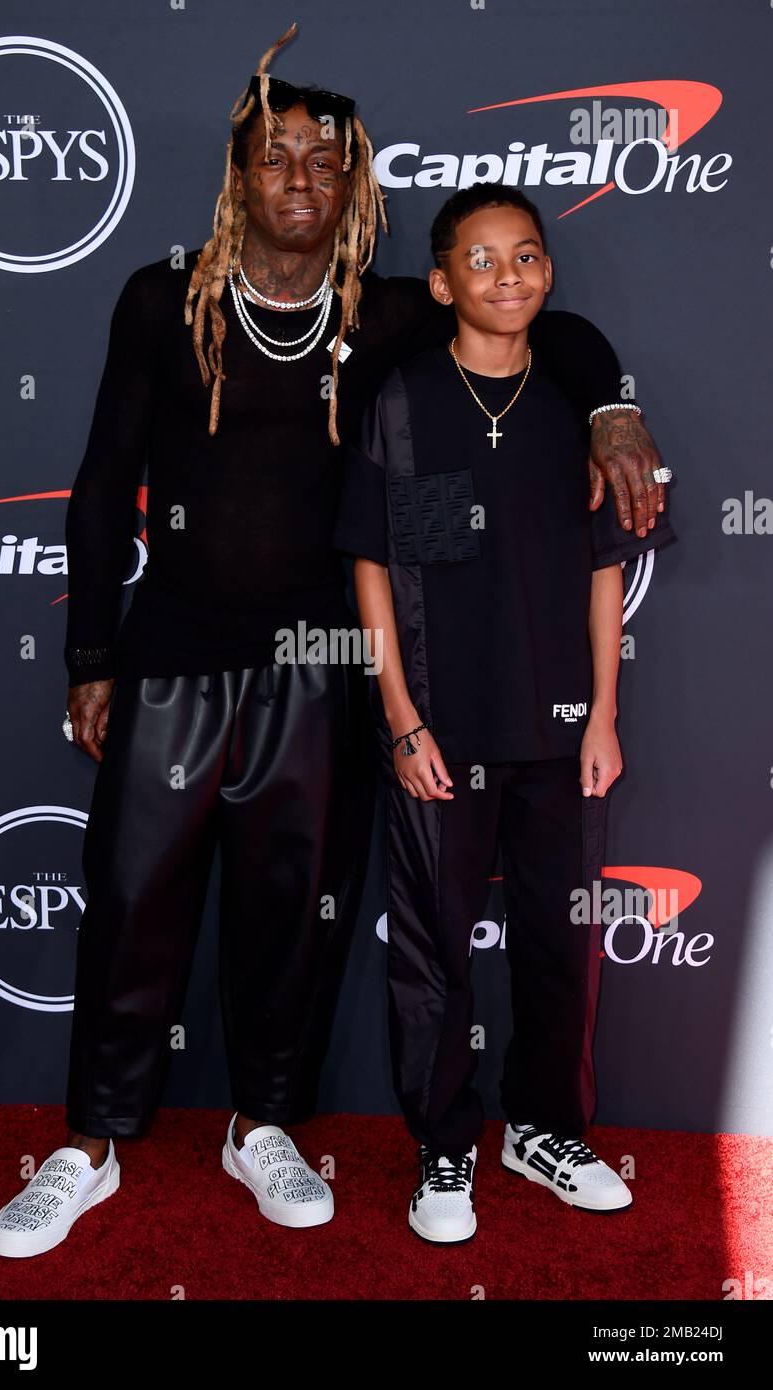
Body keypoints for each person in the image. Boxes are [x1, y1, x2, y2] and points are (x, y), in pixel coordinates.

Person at [0, 23, 670, 1258]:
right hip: (174, 655)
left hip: (320, 670)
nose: (299, 177)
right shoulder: (161, 299)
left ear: (354, 185)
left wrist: (614, 406)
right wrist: (91, 655)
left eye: (324, 160)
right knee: (131, 903)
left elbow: (538, 324)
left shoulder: (388, 313)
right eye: (274, 155)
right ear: (238, 174)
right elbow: (99, 489)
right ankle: (84, 1149)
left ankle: (263, 1124)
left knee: (289, 906)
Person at [331, 181, 677, 1244]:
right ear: (439, 283)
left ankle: (544, 1130)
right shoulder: (401, 399)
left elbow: (600, 571)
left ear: (547, 272)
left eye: (524, 255)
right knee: (432, 946)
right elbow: (375, 565)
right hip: (438, 729)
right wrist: (398, 715)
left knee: (558, 943)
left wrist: (603, 714)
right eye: (479, 261)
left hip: (558, 731)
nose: (506, 275)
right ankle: (444, 1145)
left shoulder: (577, 404)